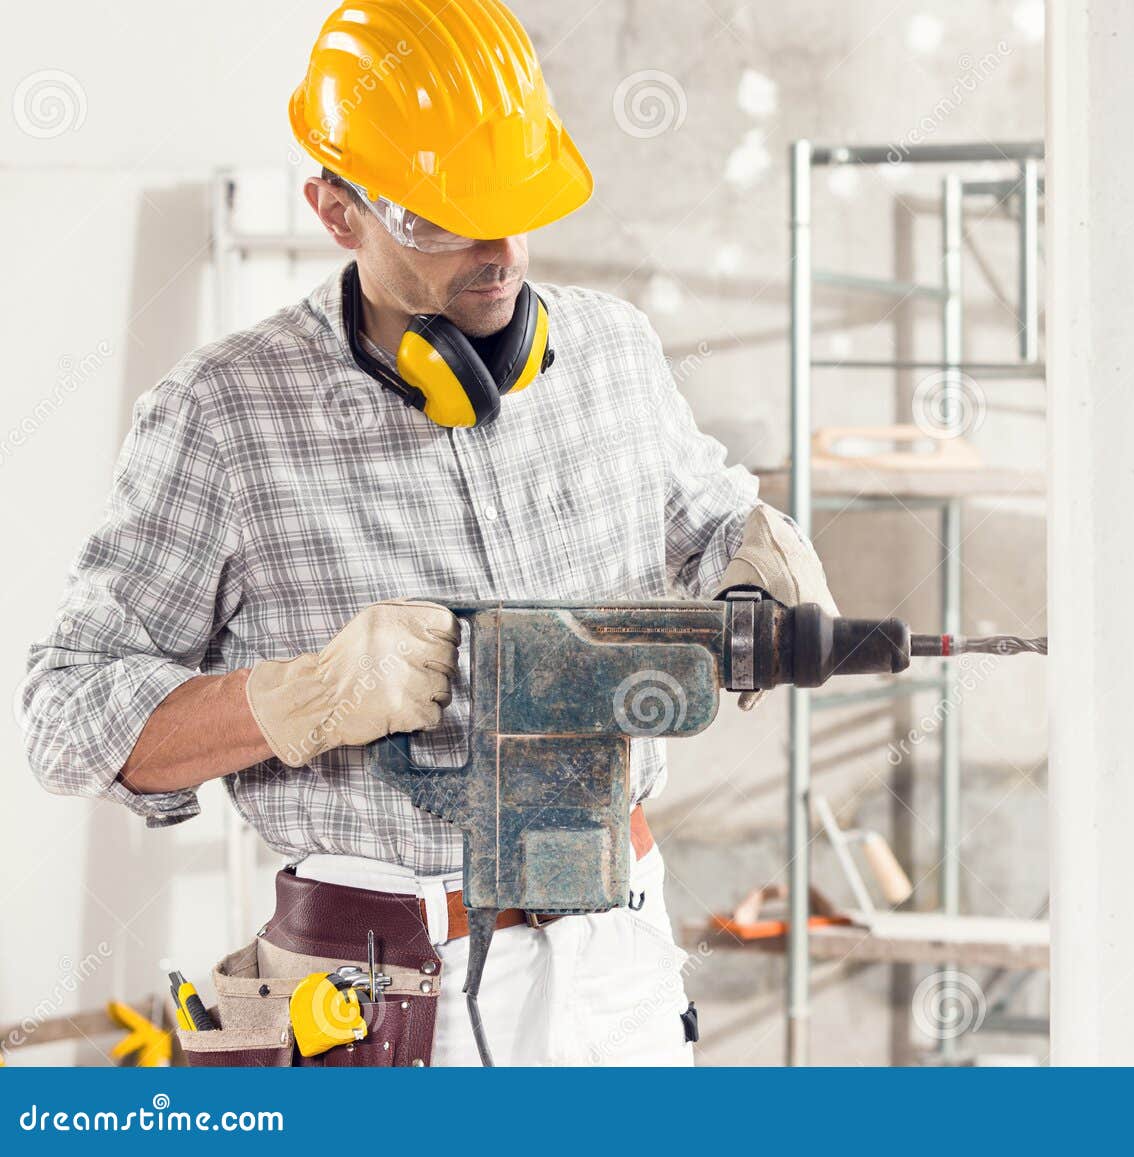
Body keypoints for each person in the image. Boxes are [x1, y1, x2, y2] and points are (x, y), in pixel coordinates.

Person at [20, 0, 835, 1067]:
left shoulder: (614, 354)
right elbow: (64, 716)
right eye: (441, 220)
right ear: (334, 210)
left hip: (619, 976)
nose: (495, 254)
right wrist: (298, 695)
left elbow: (710, 520)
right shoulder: (225, 415)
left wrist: (753, 549)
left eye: (512, 209)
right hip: (389, 1004)